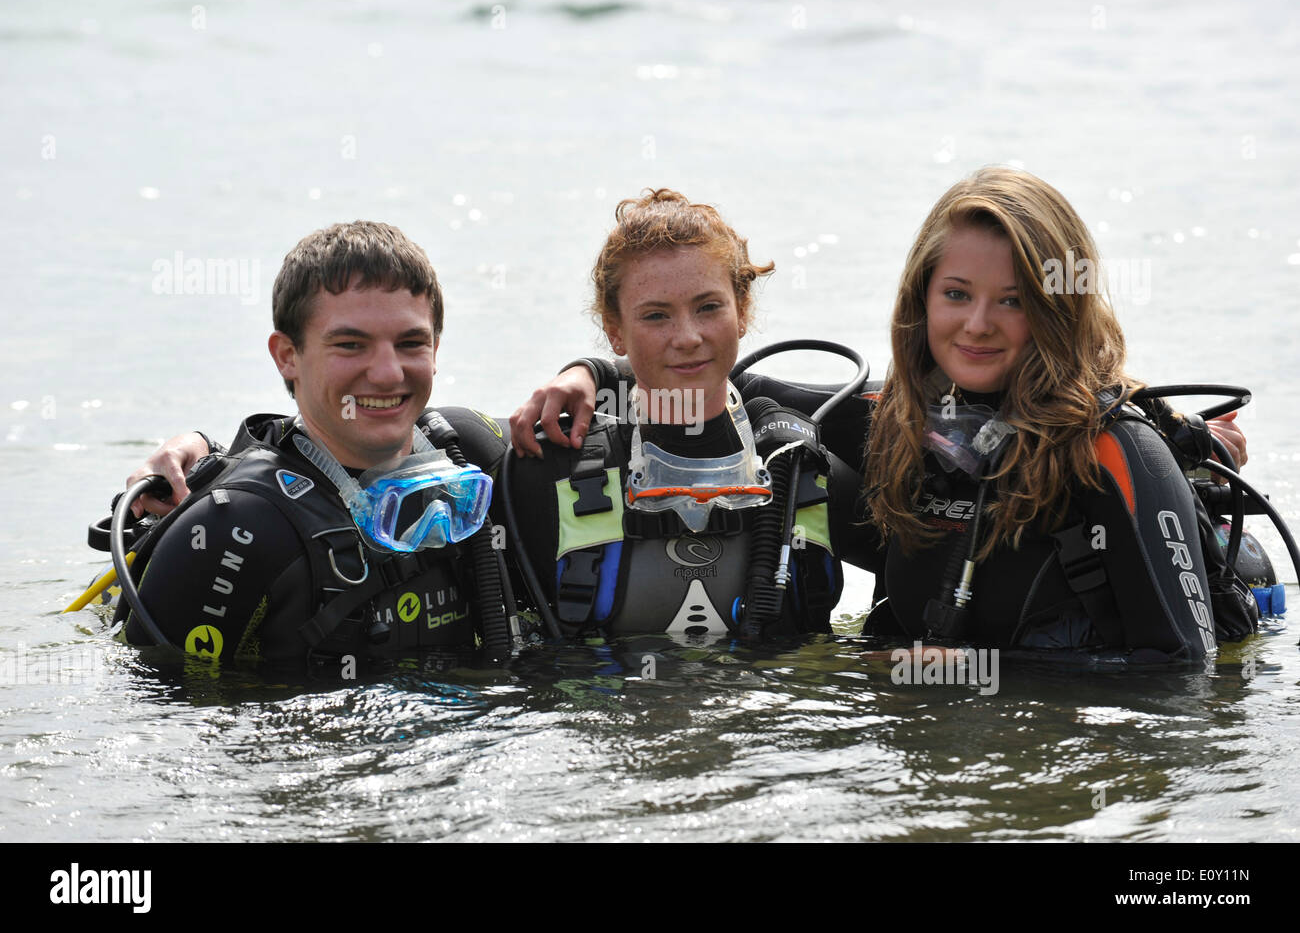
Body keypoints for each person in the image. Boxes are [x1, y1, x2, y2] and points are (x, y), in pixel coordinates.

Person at [515, 171, 1256, 662]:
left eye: (1014, 298)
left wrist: (981, 677)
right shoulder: (892, 424)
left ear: (1057, 306)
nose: (979, 325)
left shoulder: (1117, 452)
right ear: (922, 298)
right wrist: (587, 373)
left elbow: (1185, 689)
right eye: (958, 293)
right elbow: (711, 379)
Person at [112, 221, 513, 672]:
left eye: (410, 343)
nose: (386, 373)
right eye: (350, 344)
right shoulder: (234, 530)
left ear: (436, 348)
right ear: (287, 356)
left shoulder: (476, 451)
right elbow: (158, 722)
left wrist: (588, 372)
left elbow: (602, 433)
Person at [504, 189, 870, 643]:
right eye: (657, 316)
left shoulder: (798, 467)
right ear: (614, 330)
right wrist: (590, 372)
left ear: (743, 310)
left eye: (708, 307)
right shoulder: (549, 466)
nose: (688, 336)